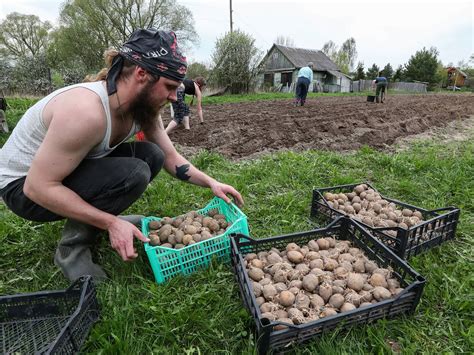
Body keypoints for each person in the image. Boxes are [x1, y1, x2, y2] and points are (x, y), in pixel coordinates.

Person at [0, 29, 243, 282]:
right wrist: (110, 223)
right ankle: (72, 250)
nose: (174, 96)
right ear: (142, 74)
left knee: (152, 155)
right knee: (133, 174)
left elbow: (170, 157)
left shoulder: (143, 107)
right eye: (170, 87)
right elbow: (37, 187)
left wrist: (211, 183)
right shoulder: (86, 112)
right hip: (22, 188)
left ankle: (100, 218)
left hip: (59, 172)